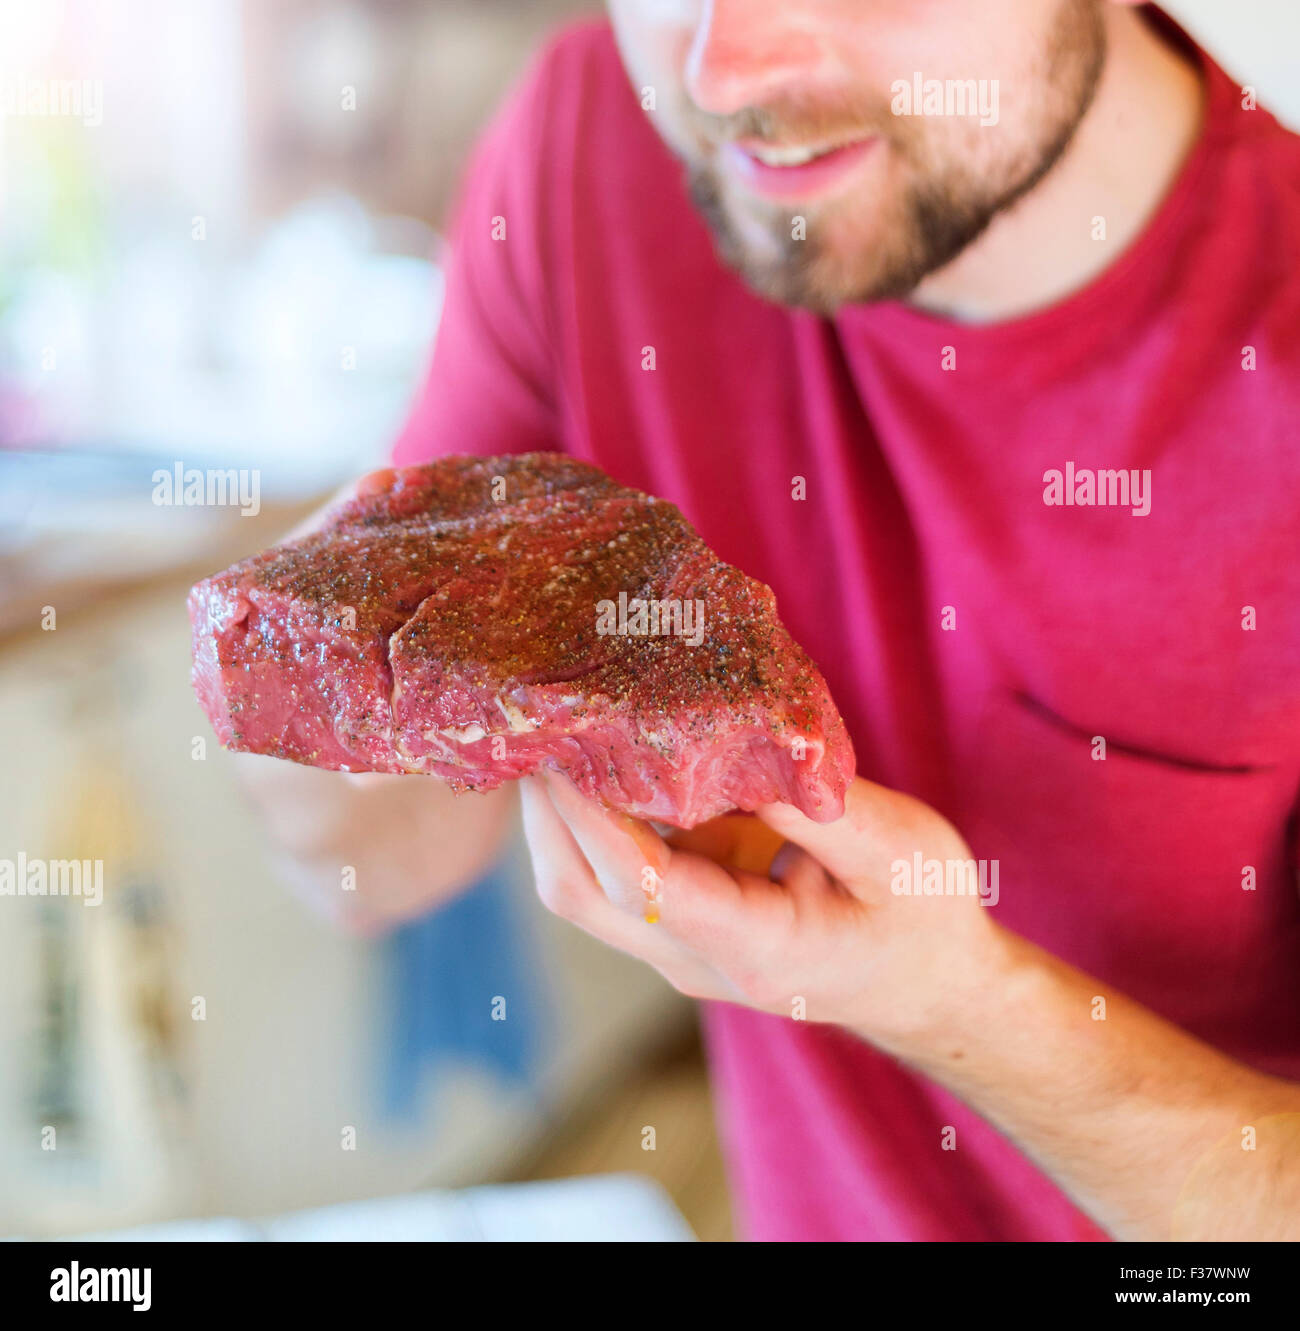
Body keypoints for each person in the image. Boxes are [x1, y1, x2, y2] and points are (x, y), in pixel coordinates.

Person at [241, 0, 1300, 1240]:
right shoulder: (596, 142)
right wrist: (322, 663)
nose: (727, 68)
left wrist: (954, 1002)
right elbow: (378, 863)